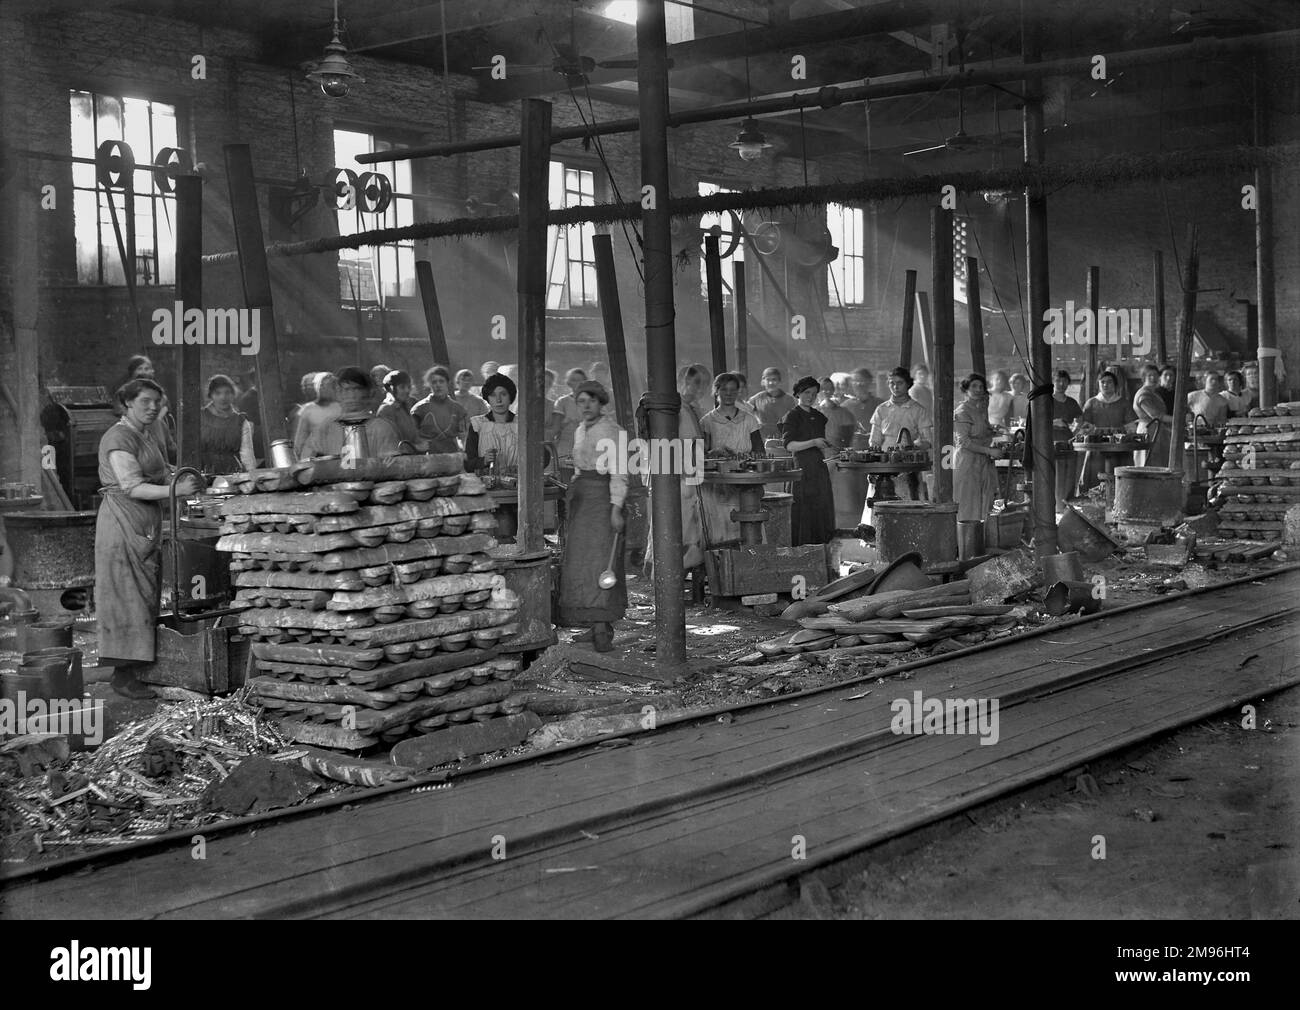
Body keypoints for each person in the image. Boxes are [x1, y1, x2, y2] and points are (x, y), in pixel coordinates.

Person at [96, 378, 202, 698]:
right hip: (121, 523)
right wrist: (176, 490)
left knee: (142, 596)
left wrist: (179, 475)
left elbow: (156, 470)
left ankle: (137, 668)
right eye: (145, 401)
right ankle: (122, 676)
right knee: (125, 597)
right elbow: (132, 486)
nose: (153, 407)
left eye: (157, 401)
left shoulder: (145, 433)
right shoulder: (118, 438)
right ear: (127, 403)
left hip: (143, 524)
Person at [558, 381, 627, 653]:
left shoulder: (612, 431)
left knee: (601, 562)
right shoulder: (579, 430)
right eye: (581, 401)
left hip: (604, 501)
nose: (586, 406)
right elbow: (578, 467)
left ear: (601, 403)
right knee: (581, 564)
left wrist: (616, 508)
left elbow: (619, 472)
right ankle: (593, 624)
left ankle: (602, 629)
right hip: (583, 502)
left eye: (591, 401)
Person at [700, 372, 765, 544]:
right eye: (724, 389)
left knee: (746, 531)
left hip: (744, 486)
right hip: (717, 487)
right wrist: (714, 453)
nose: (728, 393)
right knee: (720, 531)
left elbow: (760, 453)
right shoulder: (707, 422)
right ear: (716, 391)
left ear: (738, 392)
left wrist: (741, 457)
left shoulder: (749, 420)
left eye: (733, 390)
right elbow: (700, 455)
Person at [298, 366, 400, 460]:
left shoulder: (380, 428)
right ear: (338, 393)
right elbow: (307, 462)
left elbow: (390, 466)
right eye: (345, 390)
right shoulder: (325, 428)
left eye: (356, 389)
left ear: (367, 392)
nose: (351, 395)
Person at [780, 376, 836, 545]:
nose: (810, 397)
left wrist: (826, 445)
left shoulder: (819, 416)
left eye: (814, 393)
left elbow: (820, 441)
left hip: (818, 468)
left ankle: (821, 551)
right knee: (802, 510)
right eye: (806, 392)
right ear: (797, 394)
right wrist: (814, 442)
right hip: (801, 469)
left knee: (821, 509)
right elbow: (789, 445)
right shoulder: (792, 416)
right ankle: (802, 555)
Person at [869, 367, 933, 501]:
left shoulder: (917, 410)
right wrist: (875, 450)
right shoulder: (881, 409)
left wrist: (911, 447)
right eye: (892, 383)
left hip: (909, 463)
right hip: (885, 464)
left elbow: (927, 440)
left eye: (900, 383)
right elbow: (874, 440)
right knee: (882, 499)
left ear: (908, 384)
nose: (895, 387)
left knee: (908, 499)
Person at [1078, 369, 1137, 495]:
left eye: (1109, 382)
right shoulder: (1091, 403)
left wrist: (1102, 430)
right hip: (1096, 452)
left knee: (1121, 487)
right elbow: (1085, 429)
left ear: (1116, 385)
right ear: (1098, 385)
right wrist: (1098, 431)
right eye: (1102, 382)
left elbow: (1131, 428)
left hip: (1120, 452)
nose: (1105, 385)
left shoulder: (1124, 404)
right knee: (1093, 485)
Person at [953, 373, 1000, 523]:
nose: (978, 389)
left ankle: (981, 540)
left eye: (981, 386)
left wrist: (994, 431)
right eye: (974, 386)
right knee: (968, 503)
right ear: (966, 389)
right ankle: (963, 542)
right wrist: (990, 451)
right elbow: (964, 442)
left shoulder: (979, 410)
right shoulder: (962, 411)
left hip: (982, 461)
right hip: (967, 462)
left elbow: (979, 431)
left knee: (984, 502)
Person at [199, 374, 256, 474]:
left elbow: (247, 455)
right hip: (203, 474)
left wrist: (251, 477)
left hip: (233, 476)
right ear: (211, 395)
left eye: (227, 392)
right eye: (217, 393)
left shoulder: (240, 421)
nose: (223, 397)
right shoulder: (200, 417)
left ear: (233, 394)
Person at [465, 373, 521, 473]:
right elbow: (468, 464)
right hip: (486, 485)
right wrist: (484, 460)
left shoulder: (522, 424)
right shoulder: (477, 425)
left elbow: (541, 459)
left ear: (510, 397)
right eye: (493, 395)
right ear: (488, 398)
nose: (498, 400)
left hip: (518, 485)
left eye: (503, 394)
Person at [411, 366, 467, 454]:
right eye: (434, 382)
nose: (438, 385)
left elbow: (463, 436)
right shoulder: (419, 409)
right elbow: (412, 436)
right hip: (428, 458)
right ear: (429, 384)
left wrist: (464, 451)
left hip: (452, 457)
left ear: (447, 383)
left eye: (441, 381)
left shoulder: (458, 409)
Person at [1050, 369, 1084, 508]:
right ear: (1053, 382)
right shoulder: (1047, 401)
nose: (1061, 384)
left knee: (1069, 474)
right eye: (1058, 380)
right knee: (1055, 474)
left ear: (1068, 384)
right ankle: (1055, 506)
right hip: (1050, 440)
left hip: (1068, 441)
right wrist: (1054, 422)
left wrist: (1075, 432)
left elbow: (1080, 420)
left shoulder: (1071, 402)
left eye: (1064, 381)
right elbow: (1037, 420)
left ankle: (1066, 507)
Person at [1132, 363, 1173, 468]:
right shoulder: (1144, 394)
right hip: (1148, 431)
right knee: (1147, 462)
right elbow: (1156, 415)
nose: (1153, 378)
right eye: (1150, 375)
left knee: (1159, 463)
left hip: (1158, 431)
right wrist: (1176, 420)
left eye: (1155, 375)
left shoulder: (1154, 393)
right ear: (1144, 377)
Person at [377, 369, 428, 453]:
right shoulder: (386, 411)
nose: (407, 391)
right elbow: (389, 446)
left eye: (409, 387)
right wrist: (416, 447)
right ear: (390, 388)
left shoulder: (409, 404)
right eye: (402, 387)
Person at [292, 372, 341, 458]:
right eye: (322, 385)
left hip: (340, 457)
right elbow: (299, 440)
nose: (324, 388)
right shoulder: (307, 410)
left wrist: (352, 466)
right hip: (316, 459)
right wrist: (298, 462)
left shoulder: (342, 408)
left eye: (329, 385)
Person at [748, 367, 795, 439]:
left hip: (783, 438)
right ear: (763, 381)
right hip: (762, 439)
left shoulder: (789, 400)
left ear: (780, 381)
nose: (771, 383)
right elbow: (744, 412)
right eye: (768, 379)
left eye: (774, 379)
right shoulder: (756, 399)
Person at [841, 368, 883, 446]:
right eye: (855, 381)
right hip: (852, 449)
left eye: (861, 380)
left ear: (869, 381)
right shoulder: (845, 406)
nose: (858, 384)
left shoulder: (880, 405)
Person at [552, 368, 588, 458]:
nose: (578, 383)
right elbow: (555, 428)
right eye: (574, 380)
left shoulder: (593, 401)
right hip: (566, 445)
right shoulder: (562, 402)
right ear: (569, 382)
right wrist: (566, 422)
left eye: (581, 380)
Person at [234, 365, 264, 464]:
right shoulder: (248, 398)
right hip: (258, 447)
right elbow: (249, 426)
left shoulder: (264, 395)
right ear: (254, 380)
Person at [816, 377, 856, 448]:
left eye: (829, 389)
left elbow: (848, 437)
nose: (825, 392)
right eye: (822, 389)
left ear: (833, 391)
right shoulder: (811, 413)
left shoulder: (844, 413)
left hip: (837, 454)